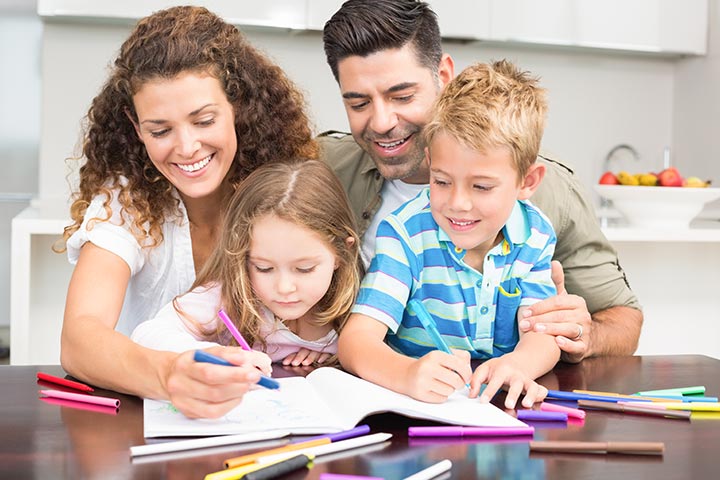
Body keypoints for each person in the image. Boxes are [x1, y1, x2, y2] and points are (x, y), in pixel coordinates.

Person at [320, 0, 642, 364]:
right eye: (359, 104)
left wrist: (581, 333)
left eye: (403, 96)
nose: (380, 122)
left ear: (443, 76)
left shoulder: (549, 199)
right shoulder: (322, 169)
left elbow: (624, 319)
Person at [56, 6, 318, 414]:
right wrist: (169, 374)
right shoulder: (128, 202)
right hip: (142, 422)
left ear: (238, 105)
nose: (186, 147)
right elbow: (78, 338)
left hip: (261, 413)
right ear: (136, 125)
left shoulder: (279, 195)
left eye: (204, 120)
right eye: (160, 130)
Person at [338, 60, 560, 409]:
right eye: (441, 181)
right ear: (430, 160)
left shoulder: (535, 235)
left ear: (527, 182)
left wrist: (517, 365)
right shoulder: (405, 234)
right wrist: (407, 373)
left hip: (491, 408)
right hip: (417, 407)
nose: (457, 204)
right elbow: (356, 341)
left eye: (482, 187)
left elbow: (543, 334)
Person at [131, 160, 361, 374]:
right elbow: (147, 335)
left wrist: (340, 353)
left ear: (342, 252)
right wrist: (213, 354)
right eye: (263, 268)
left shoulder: (360, 309)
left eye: (304, 268)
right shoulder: (228, 297)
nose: (283, 287)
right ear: (242, 255)